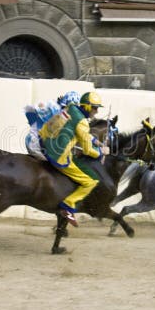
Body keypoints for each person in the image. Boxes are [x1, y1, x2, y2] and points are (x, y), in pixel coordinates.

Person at [40, 91, 109, 226]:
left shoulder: (71, 107)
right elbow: (87, 150)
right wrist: (101, 152)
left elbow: (82, 133)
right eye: (95, 108)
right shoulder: (83, 122)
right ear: (87, 106)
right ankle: (68, 206)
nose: (96, 112)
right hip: (58, 156)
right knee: (91, 181)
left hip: (44, 142)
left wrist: (96, 141)